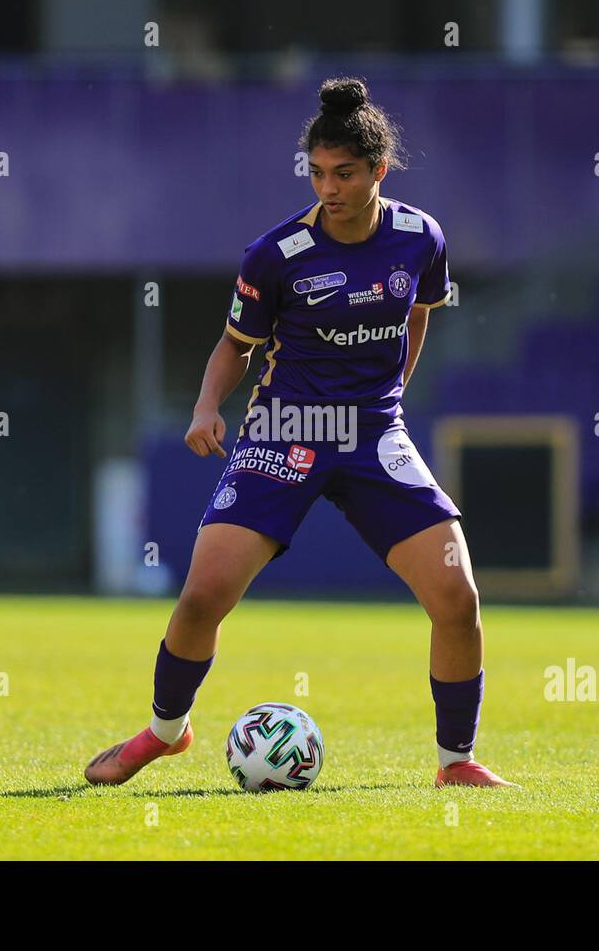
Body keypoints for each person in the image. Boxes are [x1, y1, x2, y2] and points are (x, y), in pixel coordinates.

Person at [86, 77, 510, 788]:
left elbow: (417, 313)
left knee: (457, 597)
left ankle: (455, 761)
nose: (329, 187)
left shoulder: (420, 239)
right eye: (317, 173)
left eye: (343, 173)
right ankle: (165, 731)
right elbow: (234, 345)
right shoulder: (276, 254)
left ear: (379, 170)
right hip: (285, 431)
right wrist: (205, 407)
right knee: (200, 597)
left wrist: (392, 393)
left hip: (375, 432)